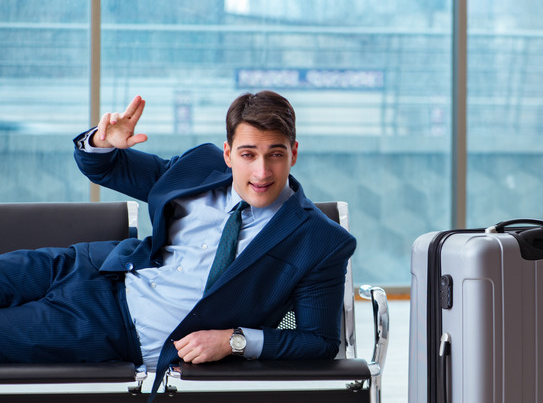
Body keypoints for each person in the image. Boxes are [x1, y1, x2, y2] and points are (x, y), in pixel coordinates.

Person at [0, 91, 356, 398]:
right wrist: (104, 143)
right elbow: (106, 168)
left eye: (275, 154)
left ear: (293, 153)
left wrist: (233, 341)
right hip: (91, 266)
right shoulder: (202, 166)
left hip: (110, 326)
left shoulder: (321, 240)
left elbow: (319, 341)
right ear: (228, 154)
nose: (261, 172)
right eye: (248, 154)